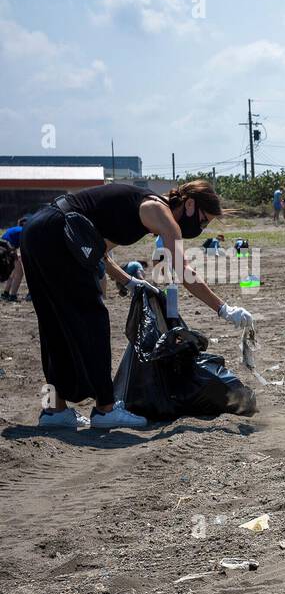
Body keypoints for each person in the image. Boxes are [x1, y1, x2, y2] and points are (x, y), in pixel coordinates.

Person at [22, 179, 253, 429]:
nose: (201, 227)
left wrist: (129, 281)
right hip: (58, 235)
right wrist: (223, 309)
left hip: (38, 231)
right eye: (203, 220)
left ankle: (54, 411)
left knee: (54, 324)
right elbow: (185, 272)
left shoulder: (139, 207)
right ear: (189, 204)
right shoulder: (161, 213)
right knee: (94, 322)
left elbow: (101, 251)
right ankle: (105, 410)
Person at [2, 216, 26, 302]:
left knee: (12, 273)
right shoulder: (23, 230)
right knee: (19, 274)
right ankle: (13, 296)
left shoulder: (14, 229)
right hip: (7, 249)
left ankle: (5, 293)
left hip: (3, 249)